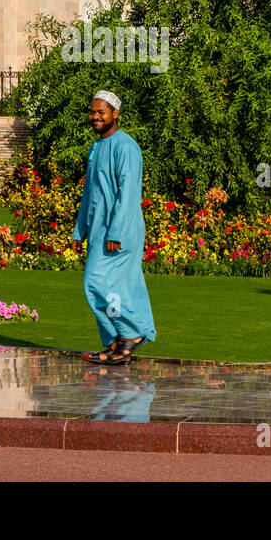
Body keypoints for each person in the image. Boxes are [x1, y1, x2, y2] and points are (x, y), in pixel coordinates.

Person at [71, 90, 156, 364]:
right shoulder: (96, 147)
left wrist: (116, 232)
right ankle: (116, 342)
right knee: (108, 286)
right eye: (93, 112)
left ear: (114, 114)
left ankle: (133, 333)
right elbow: (89, 194)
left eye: (101, 112)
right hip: (98, 229)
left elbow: (128, 193)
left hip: (120, 230)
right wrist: (79, 231)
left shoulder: (126, 147)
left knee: (97, 283)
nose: (95, 117)